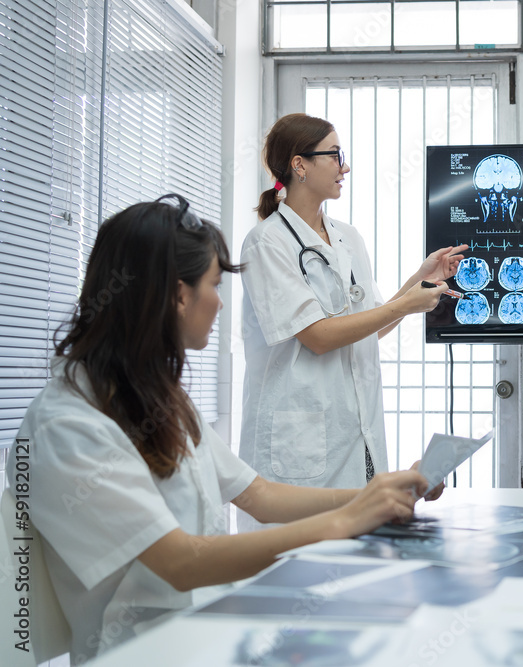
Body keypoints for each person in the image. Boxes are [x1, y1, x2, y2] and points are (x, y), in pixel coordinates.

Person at [10, 196, 440, 664]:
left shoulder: (156, 396)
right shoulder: (67, 424)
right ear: (178, 295)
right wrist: (344, 522)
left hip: (212, 629)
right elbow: (181, 563)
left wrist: (379, 493)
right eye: (213, 285)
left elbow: (259, 495)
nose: (219, 303)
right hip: (147, 652)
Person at [241, 113, 466, 500]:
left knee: (359, 543)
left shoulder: (348, 237)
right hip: (301, 436)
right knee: (301, 554)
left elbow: (369, 325)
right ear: (300, 165)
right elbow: (317, 337)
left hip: (355, 432)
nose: (345, 166)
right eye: (334, 154)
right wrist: (405, 305)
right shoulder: (267, 243)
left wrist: (419, 279)